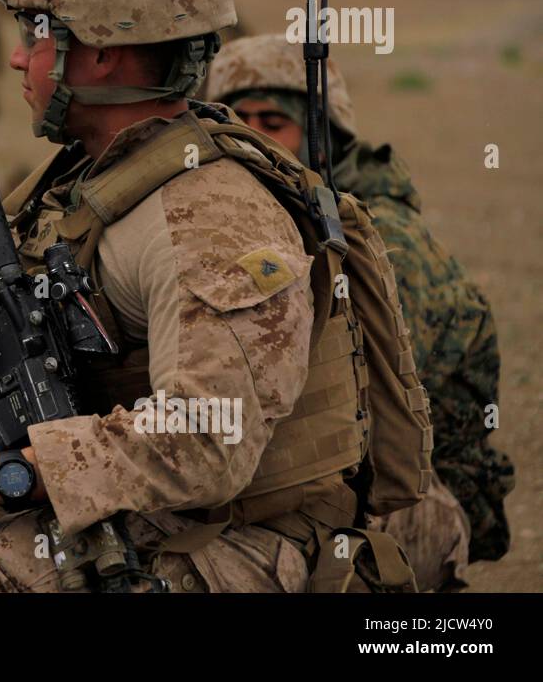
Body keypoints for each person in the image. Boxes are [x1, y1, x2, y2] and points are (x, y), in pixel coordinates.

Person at [0, 0, 424, 593]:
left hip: (257, 536)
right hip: (179, 515)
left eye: (37, 31)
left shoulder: (212, 219)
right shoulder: (94, 171)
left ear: (102, 47)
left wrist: (9, 477)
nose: (18, 57)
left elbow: (207, 440)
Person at [206, 33, 514, 588]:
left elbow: (366, 406)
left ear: (324, 139)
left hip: (419, 479)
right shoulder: (259, 214)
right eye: (235, 119)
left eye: (273, 123)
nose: (250, 138)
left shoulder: (381, 240)